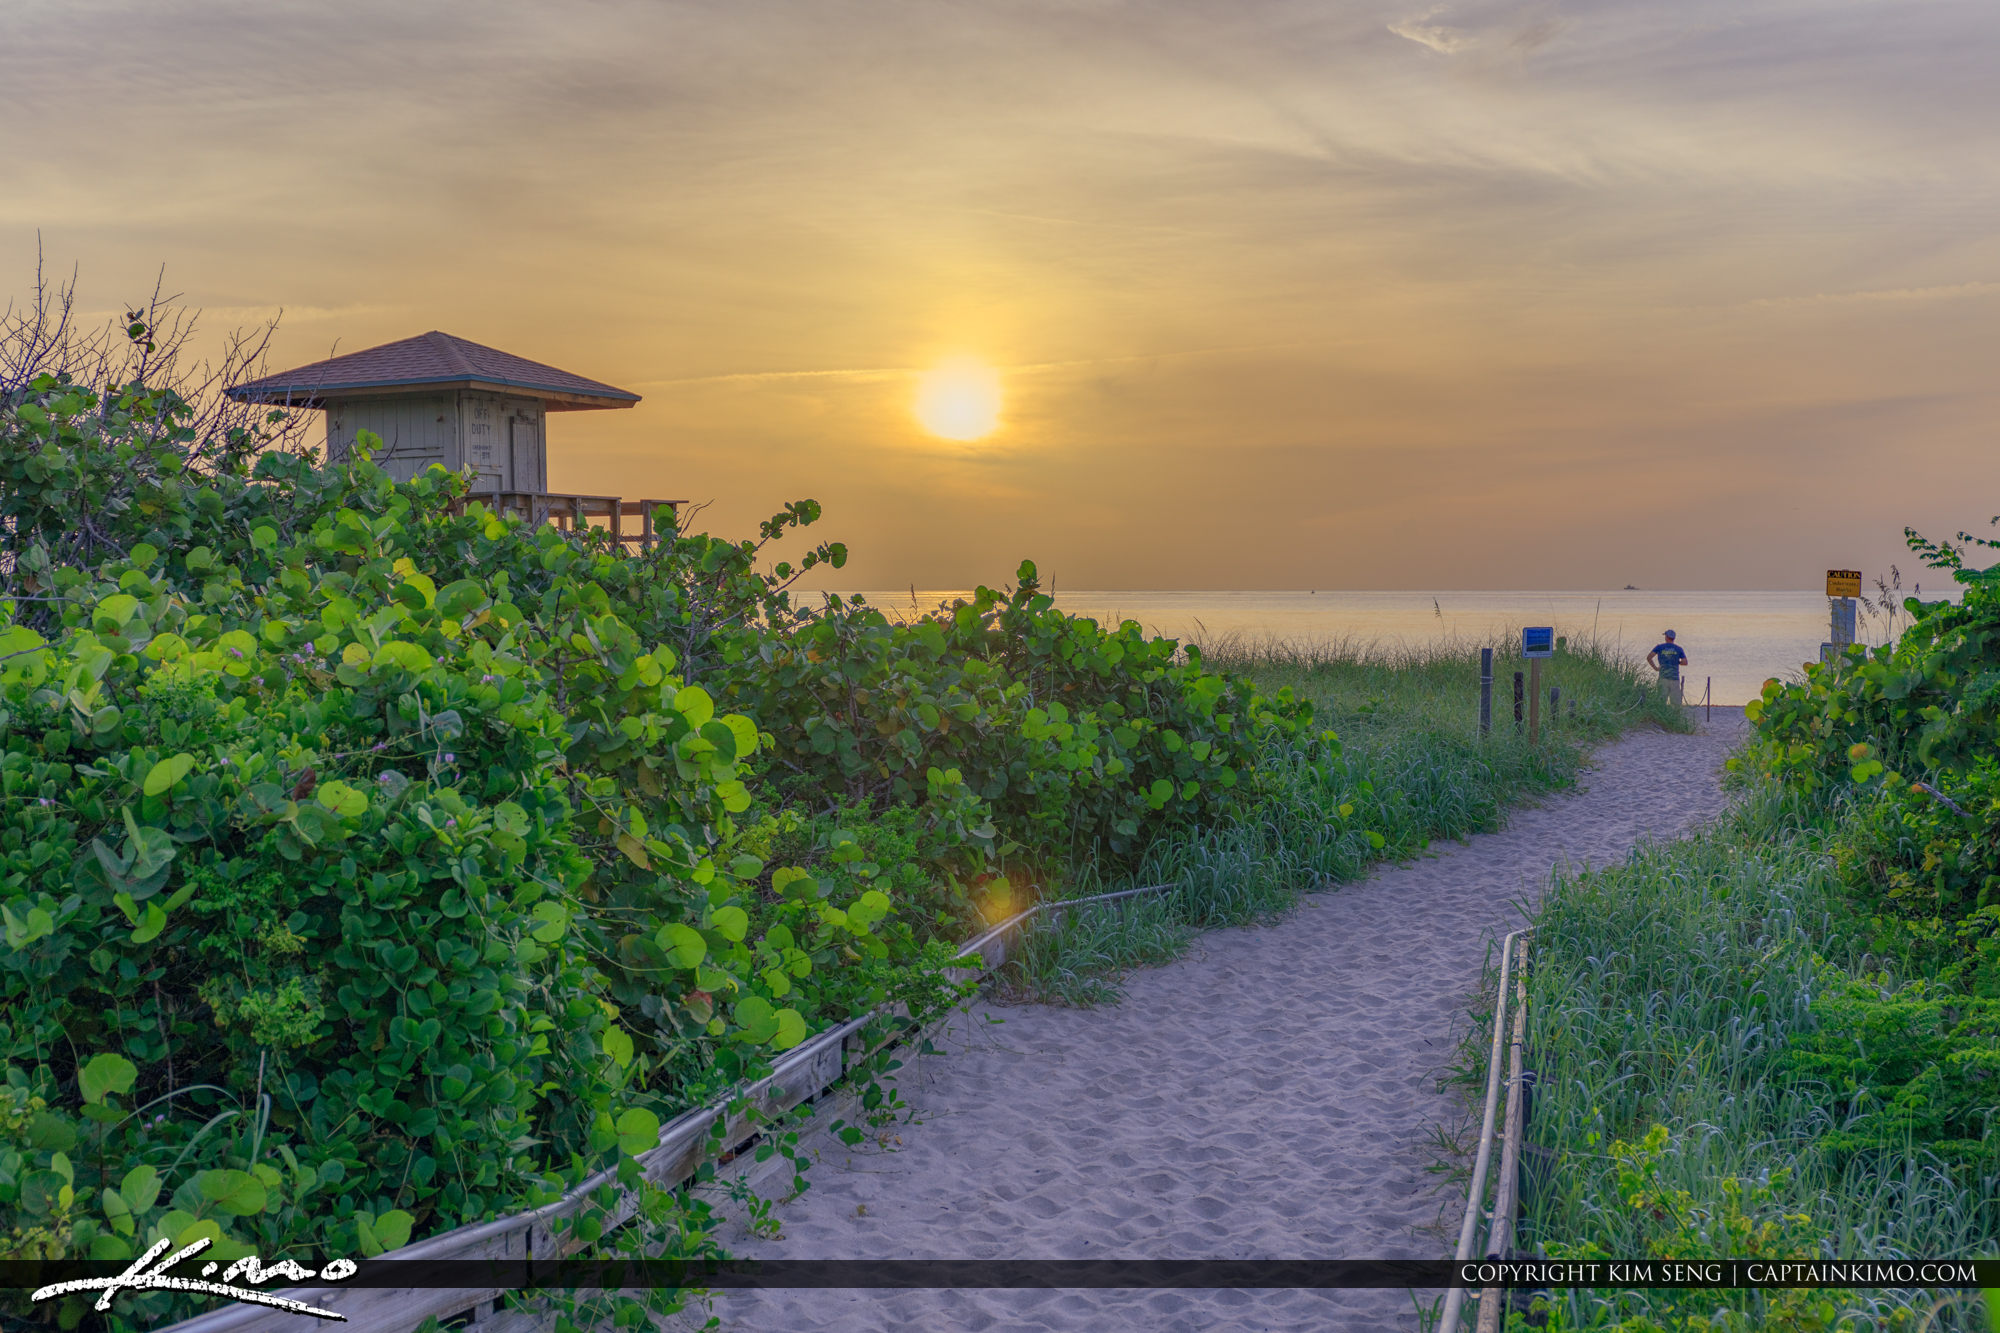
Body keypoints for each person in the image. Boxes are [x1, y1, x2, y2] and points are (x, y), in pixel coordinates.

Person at [1647, 630, 1689, 705]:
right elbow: (1685, 662)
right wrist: (1677, 661)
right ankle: (1675, 716)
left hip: (1663, 678)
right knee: (1676, 704)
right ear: (1674, 638)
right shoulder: (1678, 649)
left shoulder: (1659, 647)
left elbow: (1649, 657)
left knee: (1661, 703)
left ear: (1666, 637)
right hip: (1674, 678)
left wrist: (1656, 668)